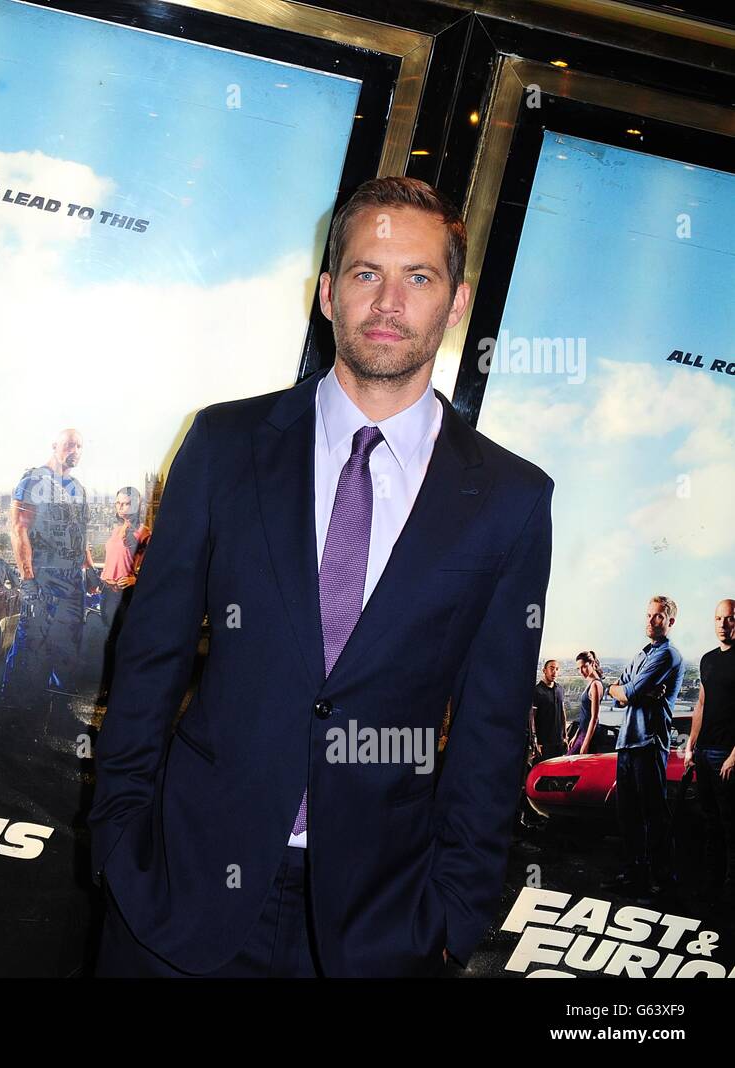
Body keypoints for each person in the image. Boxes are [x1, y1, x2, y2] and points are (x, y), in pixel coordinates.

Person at [90, 176, 554, 977]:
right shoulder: (226, 443)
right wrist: (119, 835)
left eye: (419, 277)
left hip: (376, 925)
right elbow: (149, 658)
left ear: (456, 302)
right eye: (367, 272)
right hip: (178, 887)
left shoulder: (510, 501)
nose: (389, 301)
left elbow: (491, 728)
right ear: (327, 293)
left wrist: (455, 912)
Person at [1, 428, 97, 736]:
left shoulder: (78, 488)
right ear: (55, 445)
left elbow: (78, 533)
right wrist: (28, 580)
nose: (75, 450)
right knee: (32, 647)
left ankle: (59, 718)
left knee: (67, 651)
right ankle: (15, 719)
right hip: (43, 577)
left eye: (80, 446)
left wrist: (90, 568)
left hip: (73, 581)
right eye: (70, 444)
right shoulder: (34, 480)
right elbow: (18, 529)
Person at [599, 596, 684, 899]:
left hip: (650, 742)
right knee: (629, 815)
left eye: (658, 616)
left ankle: (663, 879)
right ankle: (634, 875)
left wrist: (633, 693)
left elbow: (631, 692)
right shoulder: (640, 655)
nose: (650, 621)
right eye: (648, 615)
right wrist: (628, 692)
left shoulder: (668, 655)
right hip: (628, 742)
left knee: (654, 815)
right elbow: (618, 694)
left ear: (670, 621)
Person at [682, 598, 735, 909]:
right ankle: (712, 890)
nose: (723, 625)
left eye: (729, 619)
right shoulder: (708, 659)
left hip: (727, 757)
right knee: (711, 824)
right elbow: (701, 704)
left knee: (730, 827)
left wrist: (734, 755)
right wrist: (691, 746)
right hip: (704, 753)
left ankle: (730, 896)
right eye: (718, 619)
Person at [95, 486, 150, 704]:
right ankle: (110, 687)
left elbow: (154, 570)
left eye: (126, 503)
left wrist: (134, 579)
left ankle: (110, 690)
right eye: (118, 503)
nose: (121, 507)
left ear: (136, 505)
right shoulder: (115, 530)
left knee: (117, 642)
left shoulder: (144, 533)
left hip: (125, 594)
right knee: (109, 642)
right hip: (107, 592)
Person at [569, 650, 604, 755]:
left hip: (588, 735)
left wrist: (585, 743)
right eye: (578, 668)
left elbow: (594, 717)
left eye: (584, 666)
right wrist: (576, 736)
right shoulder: (591, 683)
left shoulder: (595, 685)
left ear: (593, 664)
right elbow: (585, 715)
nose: (581, 671)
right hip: (582, 732)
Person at [530, 660, 566, 760]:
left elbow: (562, 712)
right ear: (544, 670)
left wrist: (565, 736)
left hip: (558, 742)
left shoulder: (560, 689)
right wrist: (535, 741)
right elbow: (532, 718)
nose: (554, 671)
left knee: (557, 772)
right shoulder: (536, 691)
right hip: (543, 744)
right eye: (551, 668)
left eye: (557, 669)